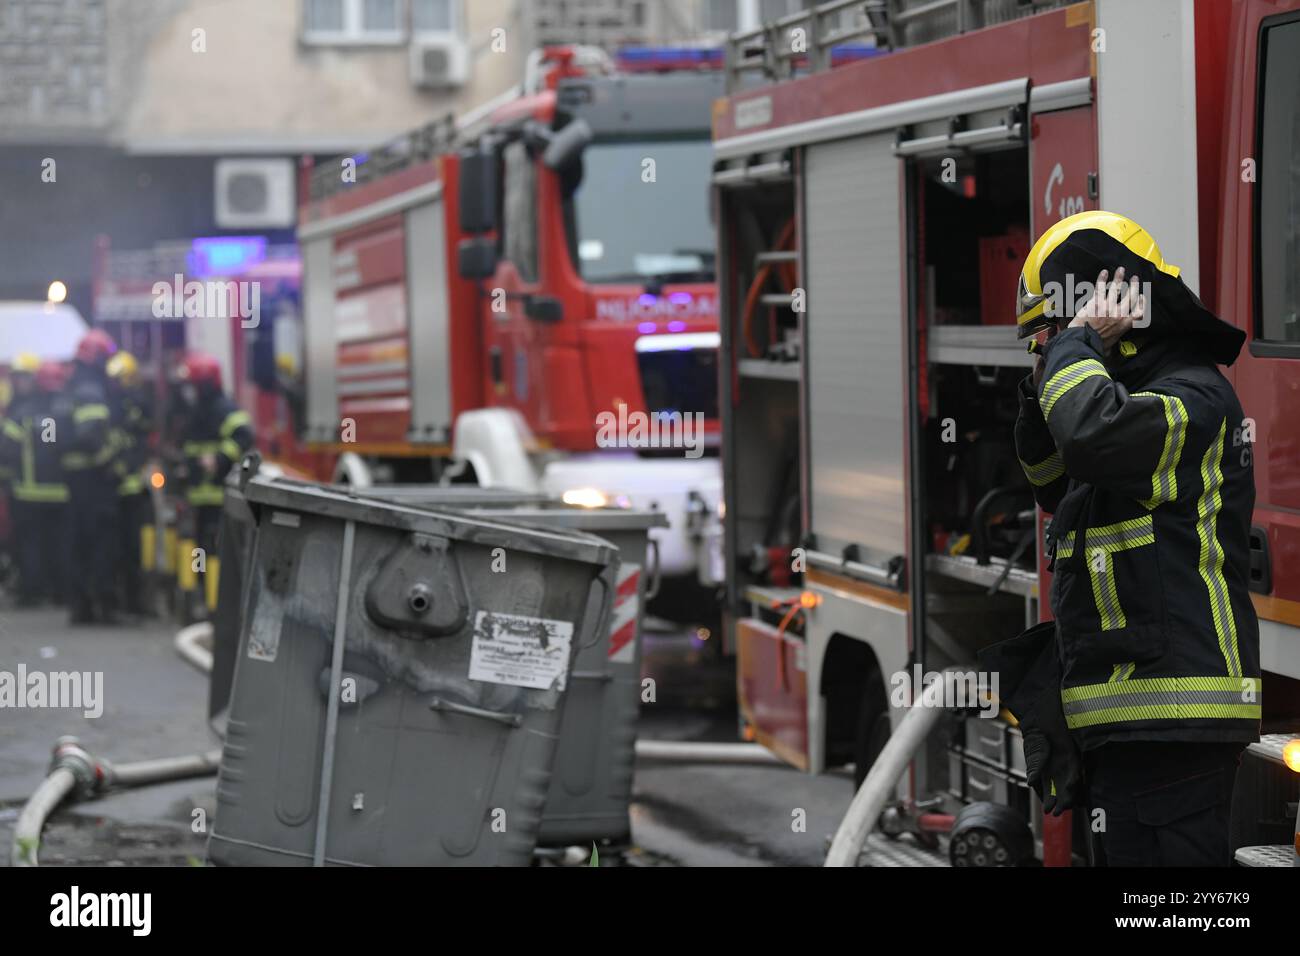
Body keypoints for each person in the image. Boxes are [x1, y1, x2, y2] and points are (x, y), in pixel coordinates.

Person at [999, 210, 1259, 867]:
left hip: (1179, 738)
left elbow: (1089, 435)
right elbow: (1050, 478)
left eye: (1050, 333)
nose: (1044, 350)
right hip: (1124, 737)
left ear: (1113, 310)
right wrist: (1046, 381)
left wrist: (1076, 347)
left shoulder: (1189, 402)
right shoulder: (1120, 400)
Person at [173, 353, 253, 619]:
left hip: (218, 497)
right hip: (197, 496)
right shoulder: (195, 411)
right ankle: (196, 599)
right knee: (198, 550)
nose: (190, 390)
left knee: (215, 550)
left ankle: (216, 608)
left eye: (194, 384)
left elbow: (244, 435)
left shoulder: (222, 408)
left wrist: (218, 459)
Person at [57, 329, 121, 624]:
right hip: (95, 481)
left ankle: (81, 607)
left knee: (77, 543)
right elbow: (91, 436)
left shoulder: (68, 388)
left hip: (72, 481)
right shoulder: (91, 390)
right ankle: (104, 606)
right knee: (102, 543)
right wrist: (111, 460)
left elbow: (56, 437)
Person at [0, 354, 68, 605]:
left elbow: (6, 448)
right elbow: (60, 445)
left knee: (30, 544)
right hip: (60, 492)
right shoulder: (62, 411)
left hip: (28, 492)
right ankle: (60, 591)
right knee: (58, 543)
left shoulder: (23, 412)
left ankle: (32, 592)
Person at [107, 351, 154, 617]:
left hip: (131, 491)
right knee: (119, 550)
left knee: (133, 550)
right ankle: (124, 601)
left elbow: (146, 432)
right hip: (115, 491)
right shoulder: (112, 406)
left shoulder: (137, 405)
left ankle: (134, 601)